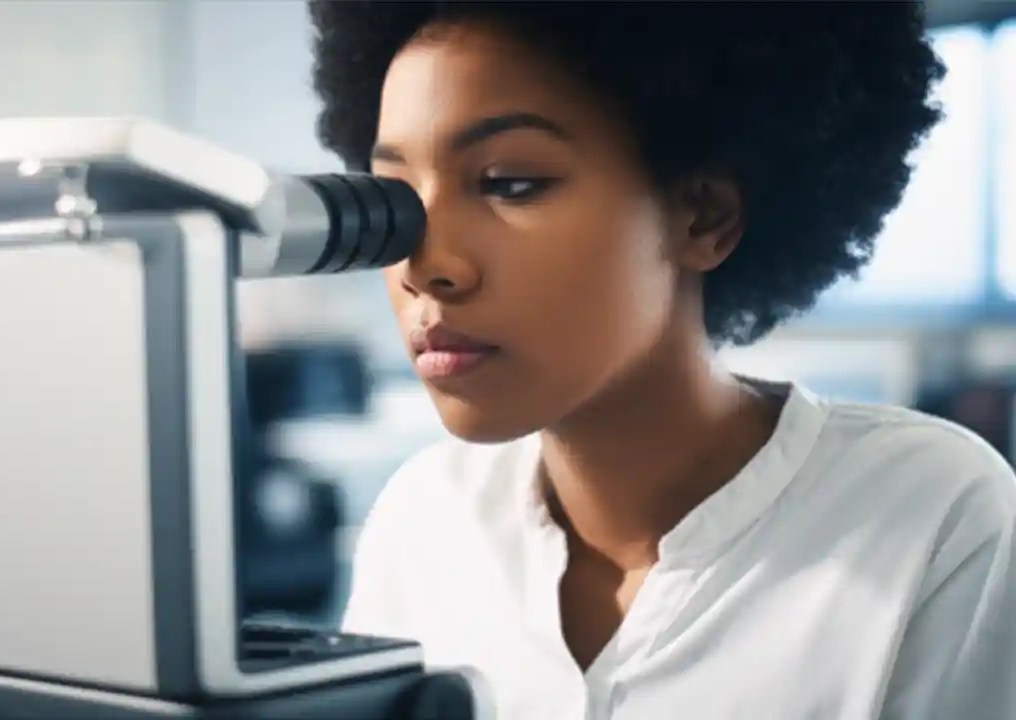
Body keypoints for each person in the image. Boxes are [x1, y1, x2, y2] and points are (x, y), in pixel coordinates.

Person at [306, 2, 1016, 718]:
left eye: (508, 183)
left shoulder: (934, 517)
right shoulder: (422, 519)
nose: (426, 267)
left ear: (703, 216)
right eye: (396, 196)